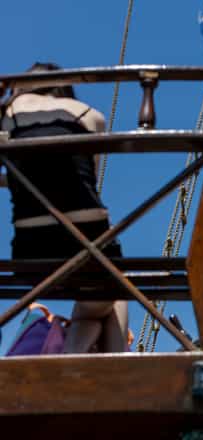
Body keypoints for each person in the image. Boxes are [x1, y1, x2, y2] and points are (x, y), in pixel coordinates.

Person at [0, 62, 128, 353]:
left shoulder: (7, 116)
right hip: (88, 247)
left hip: (31, 253)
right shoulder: (90, 116)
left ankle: (74, 356)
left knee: (105, 295)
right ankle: (91, 360)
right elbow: (87, 184)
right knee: (114, 292)